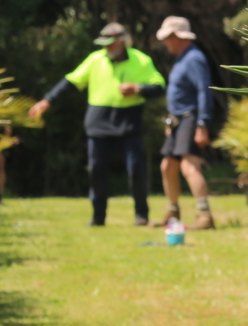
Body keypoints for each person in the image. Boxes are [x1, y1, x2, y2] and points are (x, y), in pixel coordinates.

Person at [28, 23, 166, 226]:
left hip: (129, 121)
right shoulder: (95, 60)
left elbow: (159, 87)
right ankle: (98, 217)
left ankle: (141, 215)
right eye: (104, 44)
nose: (106, 47)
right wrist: (47, 101)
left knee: (136, 169)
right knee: (96, 170)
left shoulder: (141, 60)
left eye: (110, 43)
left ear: (122, 41)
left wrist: (138, 88)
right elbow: (71, 82)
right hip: (99, 122)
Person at [154, 15, 218, 230]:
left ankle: (205, 216)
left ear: (178, 36)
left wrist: (202, 124)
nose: (165, 43)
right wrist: (170, 120)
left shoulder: (194, 58)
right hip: (178, 121)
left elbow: (204, 91)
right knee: (167, 166)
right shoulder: (182, 58)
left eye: (167, 37)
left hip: (191, 118)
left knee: (189, 166)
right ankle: (173, 212)